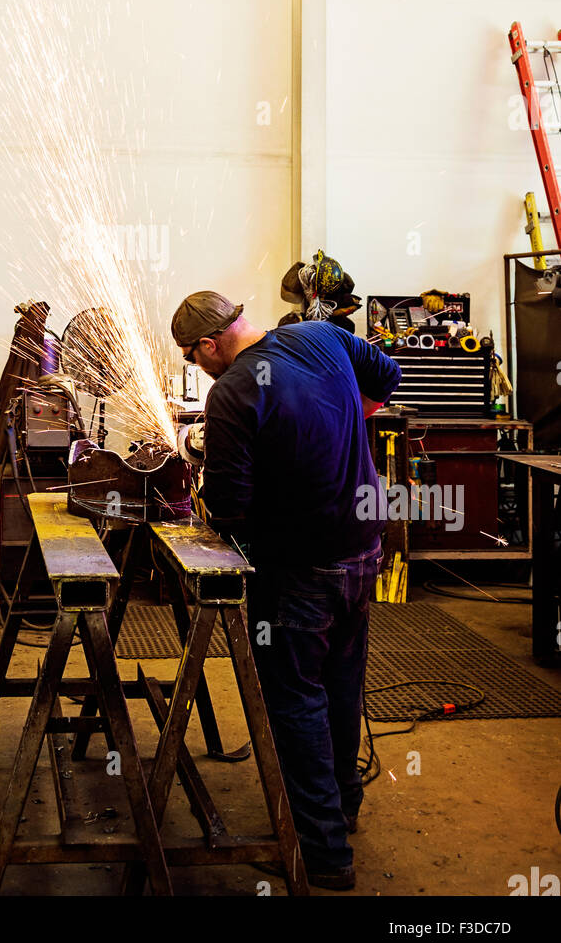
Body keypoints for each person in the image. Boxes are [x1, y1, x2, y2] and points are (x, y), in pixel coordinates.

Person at [171, 290, 402, 891]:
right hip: (363, 548)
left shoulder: (232, 392)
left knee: (295, 696)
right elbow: (388, 374)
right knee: (341, 681)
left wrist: (204, 490)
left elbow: (231, 508)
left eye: (195, 360)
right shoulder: (321, 336)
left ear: (206, 344)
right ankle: (343, 806)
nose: (200, 372)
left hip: (300, 568)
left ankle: (323, 852)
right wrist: (345, 419)